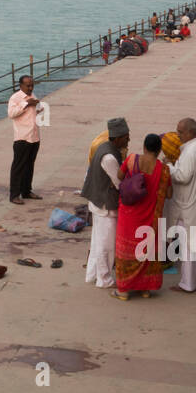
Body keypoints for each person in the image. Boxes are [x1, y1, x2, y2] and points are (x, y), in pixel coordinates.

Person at [114, 133, 172, 300]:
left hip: (129, 216)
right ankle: (145, 288)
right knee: (146, 252)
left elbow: (119, 176)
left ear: (144, 147)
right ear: (159, 150)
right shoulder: (164, 170)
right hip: (149, 219)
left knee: (126, 252)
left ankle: (123, 290)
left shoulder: (132, 159)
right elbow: (168, 194)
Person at [81, 117, 129, 291]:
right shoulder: (109, 156)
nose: (128, 140)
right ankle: (104, 279)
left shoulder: (104, 148)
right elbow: (119, 183)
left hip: (98, 202)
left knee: (97, 243)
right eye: (125, 137)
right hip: (104, 205)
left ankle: (93, 274)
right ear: (116, 138)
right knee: (106, 245)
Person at [166, 118, 196, 294]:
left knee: (188, 246)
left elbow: (183, 176)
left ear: (190, 132)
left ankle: (187, 283)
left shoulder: (192, 150)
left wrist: (168, 166)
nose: (178, 135)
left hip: (188, 206)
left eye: (180, 132)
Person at [7, 75, 43, 204]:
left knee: (29, 166)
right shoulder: (15, 98)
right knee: (18, 167)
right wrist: (26, 103)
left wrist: (39, 108)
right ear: (21, 85)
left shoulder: (33, 95)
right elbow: (11, 114)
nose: (30, 88)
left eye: (32, 85)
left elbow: (35, 111)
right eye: (28, 85)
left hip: (34, 136)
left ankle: (26, 191)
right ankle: (14, 195)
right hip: (22, 137)